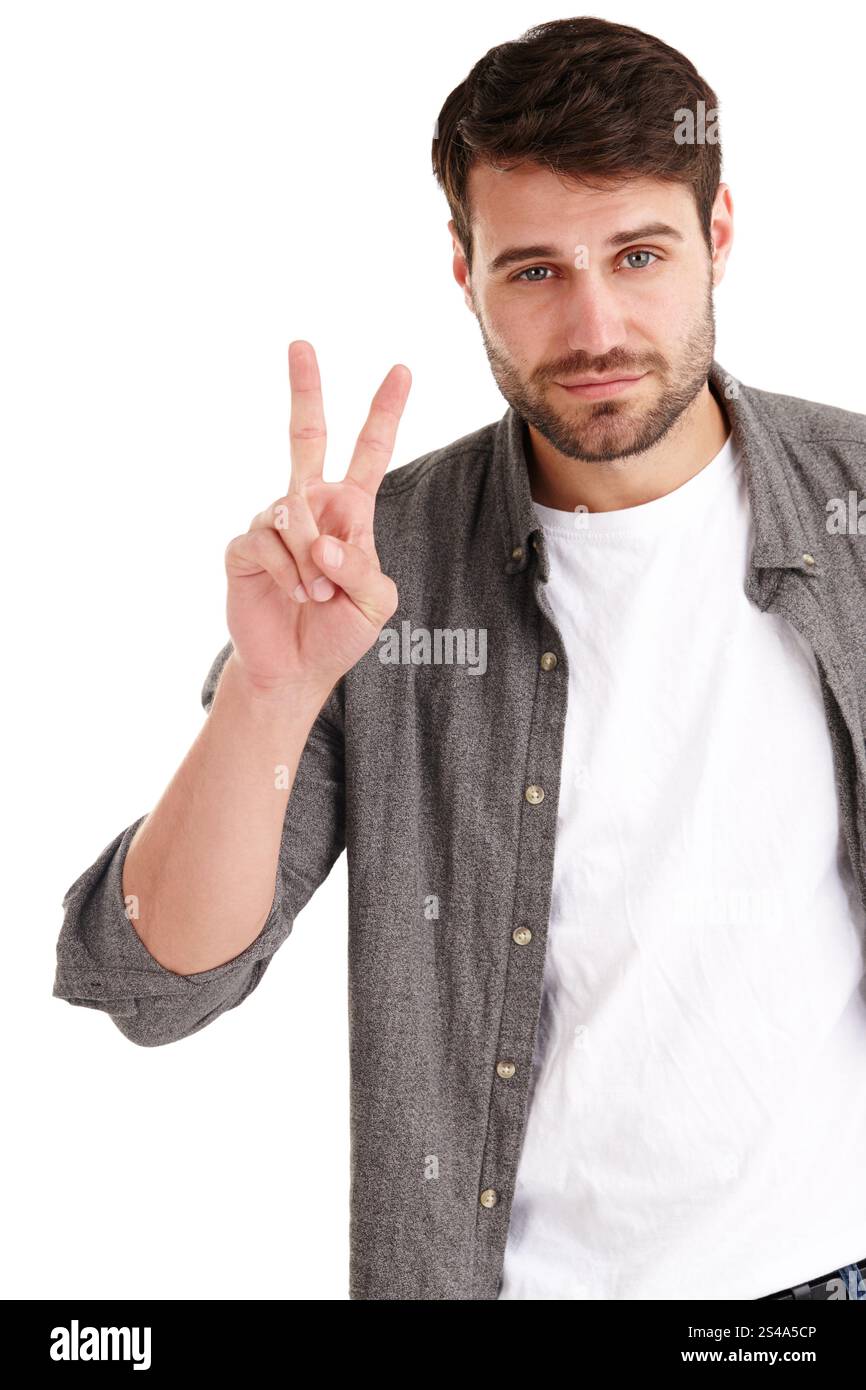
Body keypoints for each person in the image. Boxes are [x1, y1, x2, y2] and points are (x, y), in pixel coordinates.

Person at [53, 16, 866, 1301]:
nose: (595, 325)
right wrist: (272, 693)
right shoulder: (377, 571)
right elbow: (153, 979)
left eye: (638, 254)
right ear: (462, 270)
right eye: (533, 271)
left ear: (717, 238)